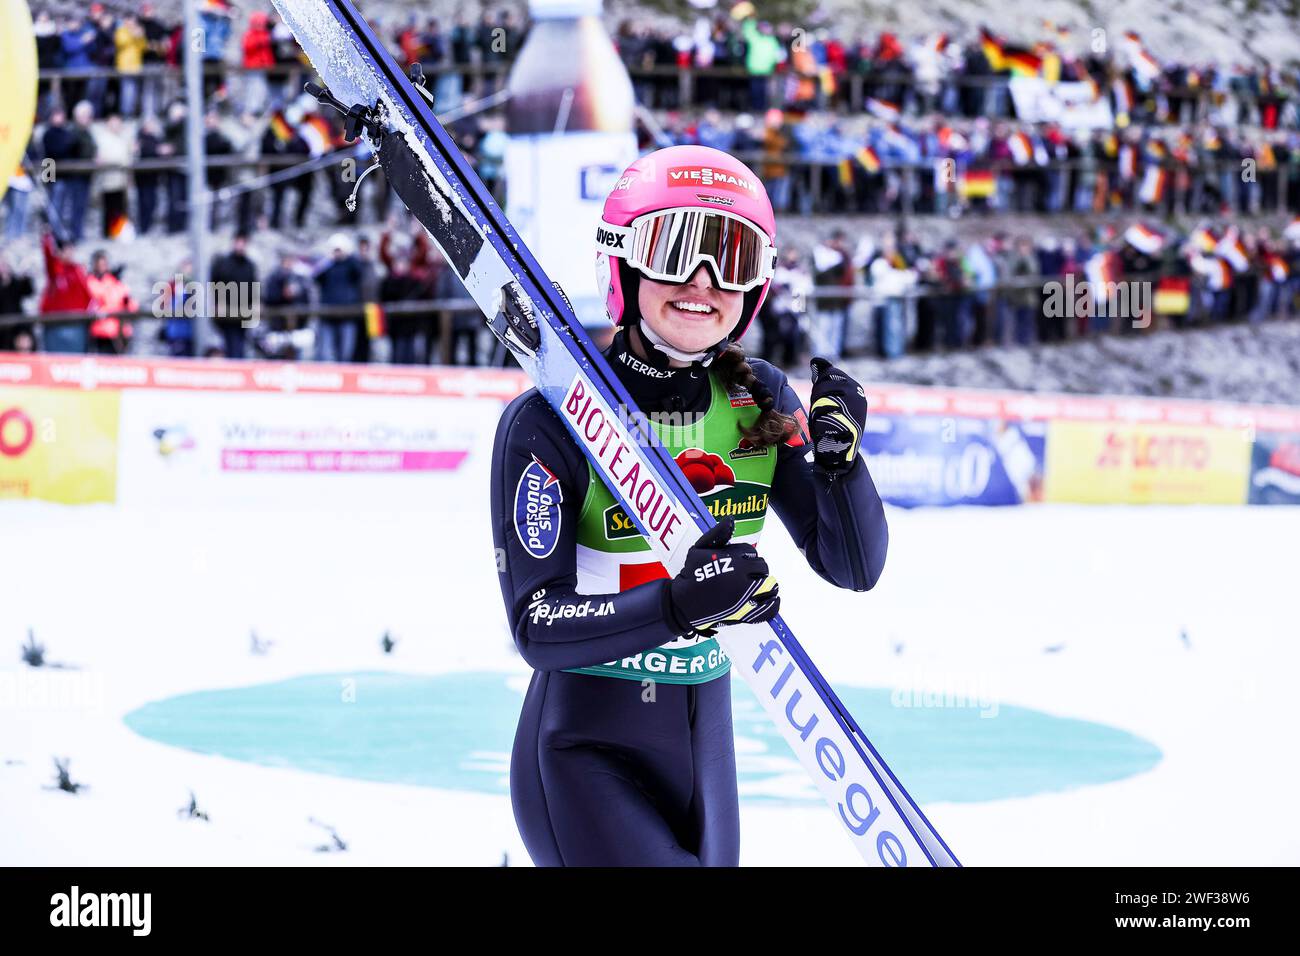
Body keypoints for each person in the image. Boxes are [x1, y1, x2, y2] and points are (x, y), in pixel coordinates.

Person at [490, 145, 889, 867]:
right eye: (674, 251)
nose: (702, 282)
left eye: (731, 259)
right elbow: (537, 626)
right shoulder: (552, 417)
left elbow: (852, 566)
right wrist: (676, 605)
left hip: (707, 739)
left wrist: (841, 468)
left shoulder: (758, 397)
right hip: (584, 749)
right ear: (626, 263)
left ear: (756, 285)